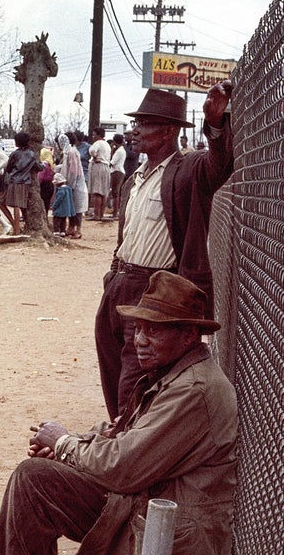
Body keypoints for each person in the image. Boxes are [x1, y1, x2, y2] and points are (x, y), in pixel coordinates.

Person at [0, 271, 236, 555]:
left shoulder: (193, 390)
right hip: (155, 508)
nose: (139, 340)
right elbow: (120, 436)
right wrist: (66, 446)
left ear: (189, 335)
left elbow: (123, 466)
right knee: (39, 473)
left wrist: (64, 444)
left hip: (180, 536)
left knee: (35, 480)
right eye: (138, 328)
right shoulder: (175, 373)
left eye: (154, 330)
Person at [95, 82, 234, 420]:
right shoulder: (135, 179)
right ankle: (119, 436)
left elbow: (220, 163)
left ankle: (129, 452)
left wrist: (215, 124)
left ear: (168, 130)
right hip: (119, 281)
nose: (135, 130)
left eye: (145, 123)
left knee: (136, 376)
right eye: (136, 123)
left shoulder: (187, 170)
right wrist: (112, 277)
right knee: (112, 366)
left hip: (154, 288)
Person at [56, 133, 87, 240]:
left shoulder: (71, 152)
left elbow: (74, 171)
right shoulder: (69, 152)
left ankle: (78, 230)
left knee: (77, 208)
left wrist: (71, 184)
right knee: (71, 207)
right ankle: (71, 227)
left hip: (75, 184)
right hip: (71, 183)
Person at [87, 127, 111, 219]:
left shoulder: (97, 143)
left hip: (98, 166)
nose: (93, 136)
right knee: (103, 191)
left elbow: (92, 151)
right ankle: (101, 214)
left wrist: (94, 157)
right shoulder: (107, 144)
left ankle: (96, 215)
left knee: (97, 191)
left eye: (94, 134)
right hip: (106, 167)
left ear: (98, 135)